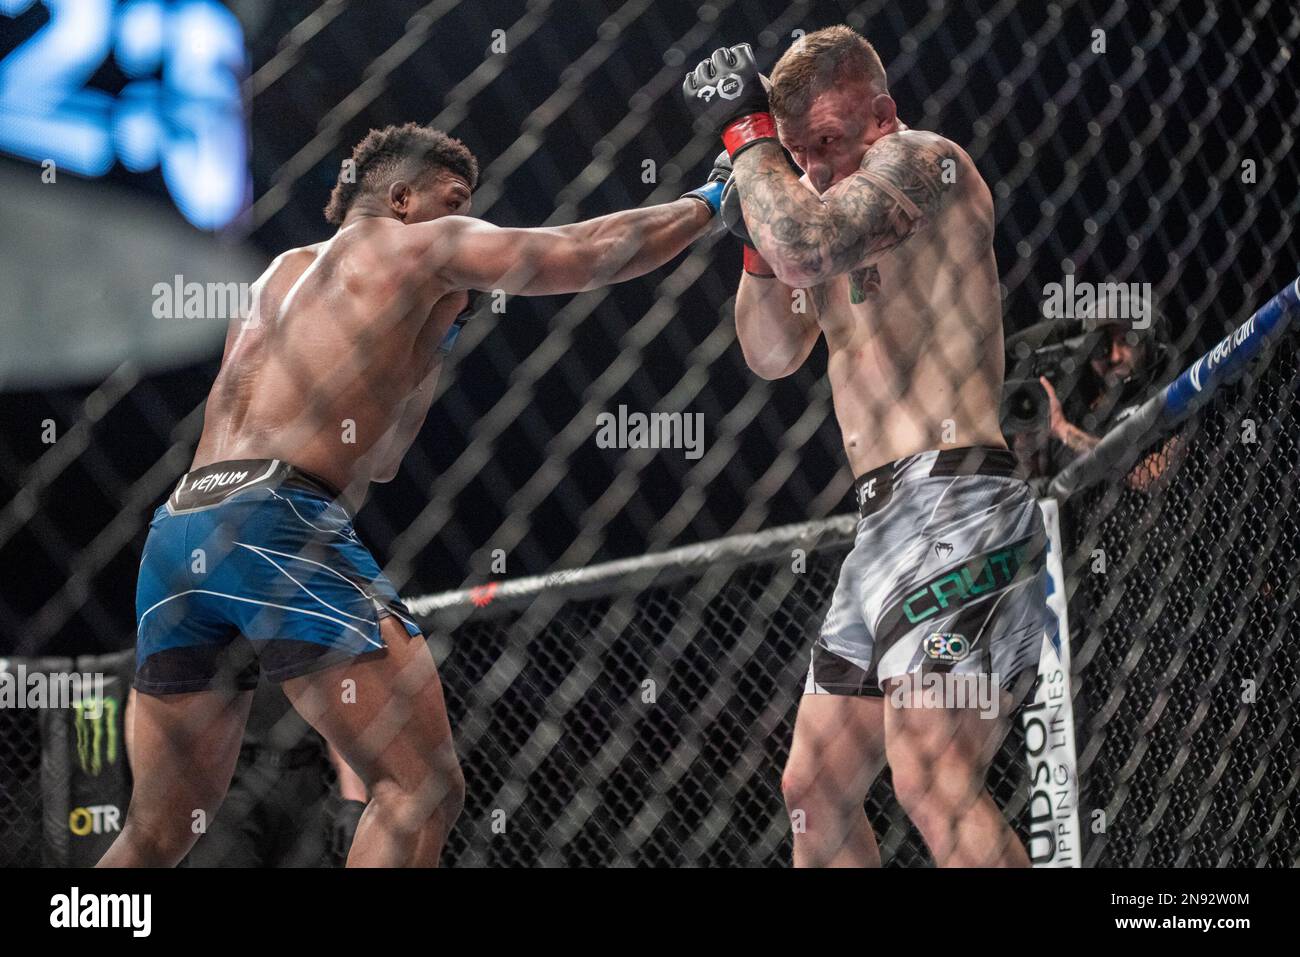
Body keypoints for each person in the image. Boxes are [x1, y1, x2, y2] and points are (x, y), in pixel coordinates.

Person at [101, 122, 728, 867]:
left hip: (181, 528)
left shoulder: (278, 274)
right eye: (455, 200)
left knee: (158, 833)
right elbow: (587, 251)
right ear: (400, 198)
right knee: (419, 787)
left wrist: (437, 333)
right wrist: (712, 198)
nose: (469, 220)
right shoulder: (416, 243)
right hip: (275, 518)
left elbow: (385, 458)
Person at [683, 28, 1047, 867]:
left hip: (960, 501)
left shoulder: (927, 161)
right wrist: (754, 222)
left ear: (882, 116)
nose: (812, 168)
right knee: (813, 789)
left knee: (931, 775)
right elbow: (769, 353)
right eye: (798, 152)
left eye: (829, 143)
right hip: (878, 527)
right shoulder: (811, 203)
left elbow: (812, 242)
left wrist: (751, 150)